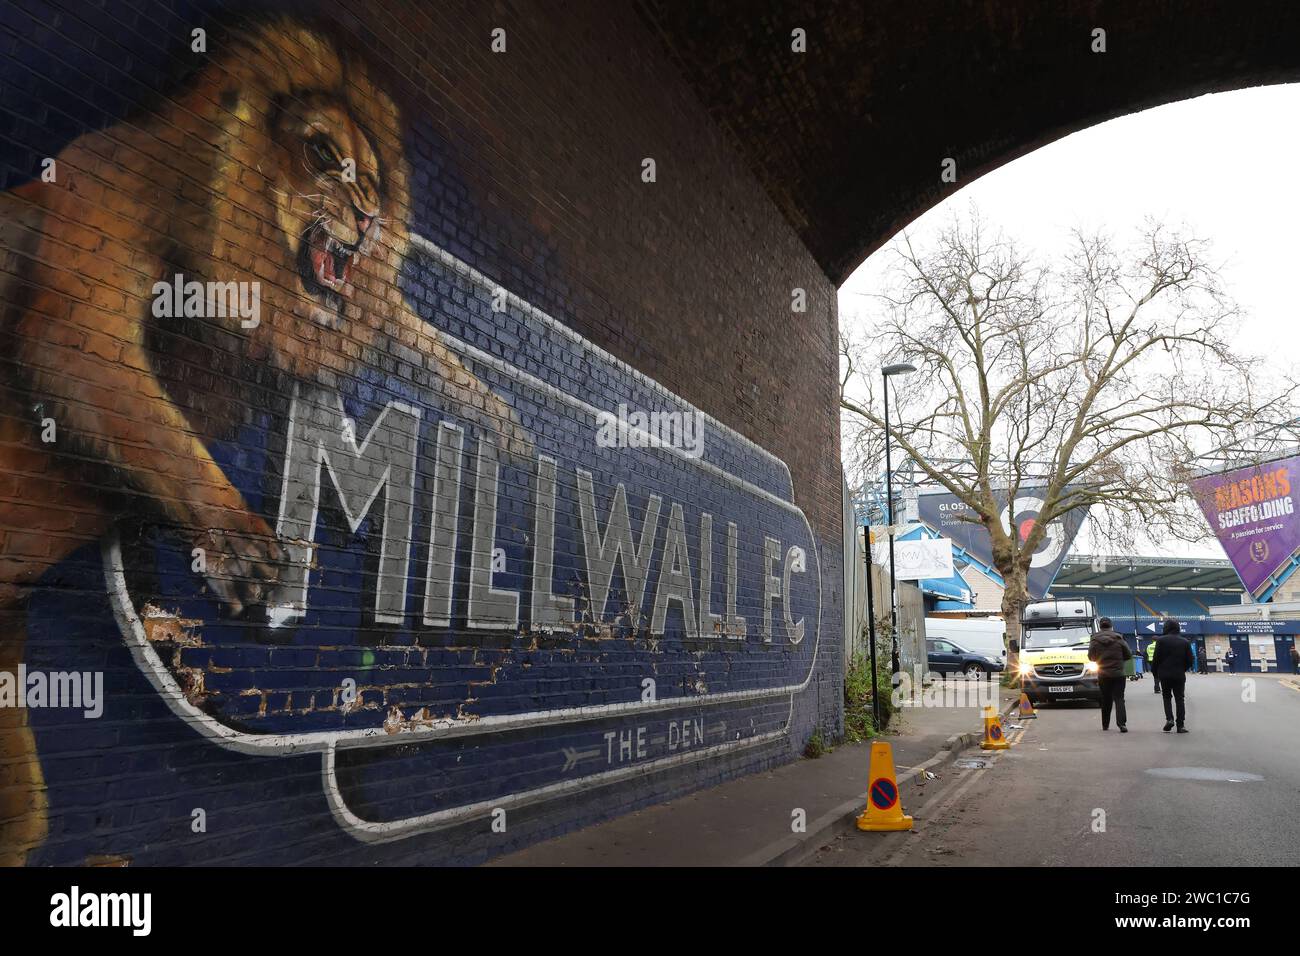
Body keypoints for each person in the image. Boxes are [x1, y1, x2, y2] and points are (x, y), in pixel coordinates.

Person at [1089, 617, 1133, 732]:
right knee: (1119, 698)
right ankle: (1122, 724)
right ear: (1111, 626)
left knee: (1105, 699)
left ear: (1100, 627)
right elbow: (1128, 654)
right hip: (1118, 673)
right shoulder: (1119, 638)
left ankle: (1105, 725)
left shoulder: (1094, 640)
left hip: (1103, 674)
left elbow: (1091, 657)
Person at [1152, 619, 1194, 733]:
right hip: (1179, 675)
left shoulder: (1161, 641)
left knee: (1167, 697)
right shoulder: (1185, 642)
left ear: (1166, 628)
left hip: (1164, 675)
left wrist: (1156, 673)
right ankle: (1180, 725)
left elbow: (1155, 659)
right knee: (1180, 699)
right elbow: (1190, 660)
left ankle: (1169, 719)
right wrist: (1182, 669)